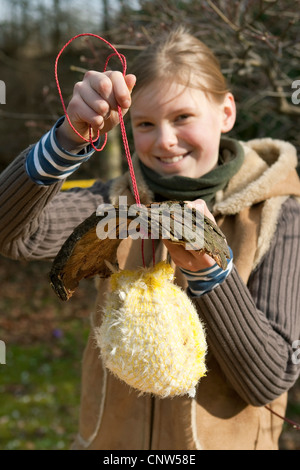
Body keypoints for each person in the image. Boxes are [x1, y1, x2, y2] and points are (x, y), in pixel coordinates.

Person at [0, 26, 300, 450]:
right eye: (144, 123)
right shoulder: (116, 204)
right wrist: (66, 141)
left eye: (182, 117)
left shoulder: (279, 213)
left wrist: (210, 272)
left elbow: (268, 381)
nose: (165, 141)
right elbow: (13, 234)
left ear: (227, 112)